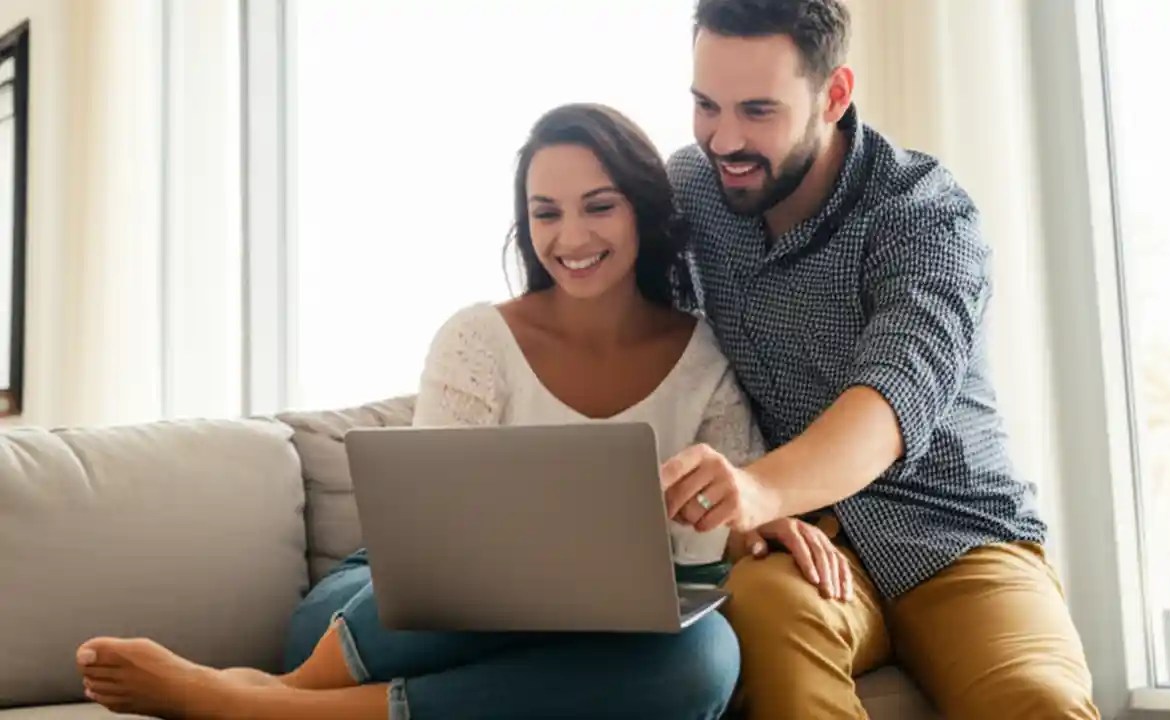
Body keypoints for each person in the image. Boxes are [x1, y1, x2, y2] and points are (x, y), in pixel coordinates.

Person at [72, 103, 849, 720]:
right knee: (517, 591)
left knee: (704, 662)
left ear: (642, 212)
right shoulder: (479, 338)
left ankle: (265, 705)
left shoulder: (705, 362)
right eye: (546, 213)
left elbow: (712, 550)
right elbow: (434, 548)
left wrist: (754, 520)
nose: (570, 237)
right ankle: (280, 693)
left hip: (599, 630)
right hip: (389, 614)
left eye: (597, 207)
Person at [657, 1, 1102, 719]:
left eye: (758, 110)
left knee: (1039, 701)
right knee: (766, 617)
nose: (725, 138)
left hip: (960, 534)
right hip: (806, 545)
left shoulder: (924, 212)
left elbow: (889, 402)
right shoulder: (691, 193)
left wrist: (759, 490)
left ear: (834, 96)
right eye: (706, 105)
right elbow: (622, 322)